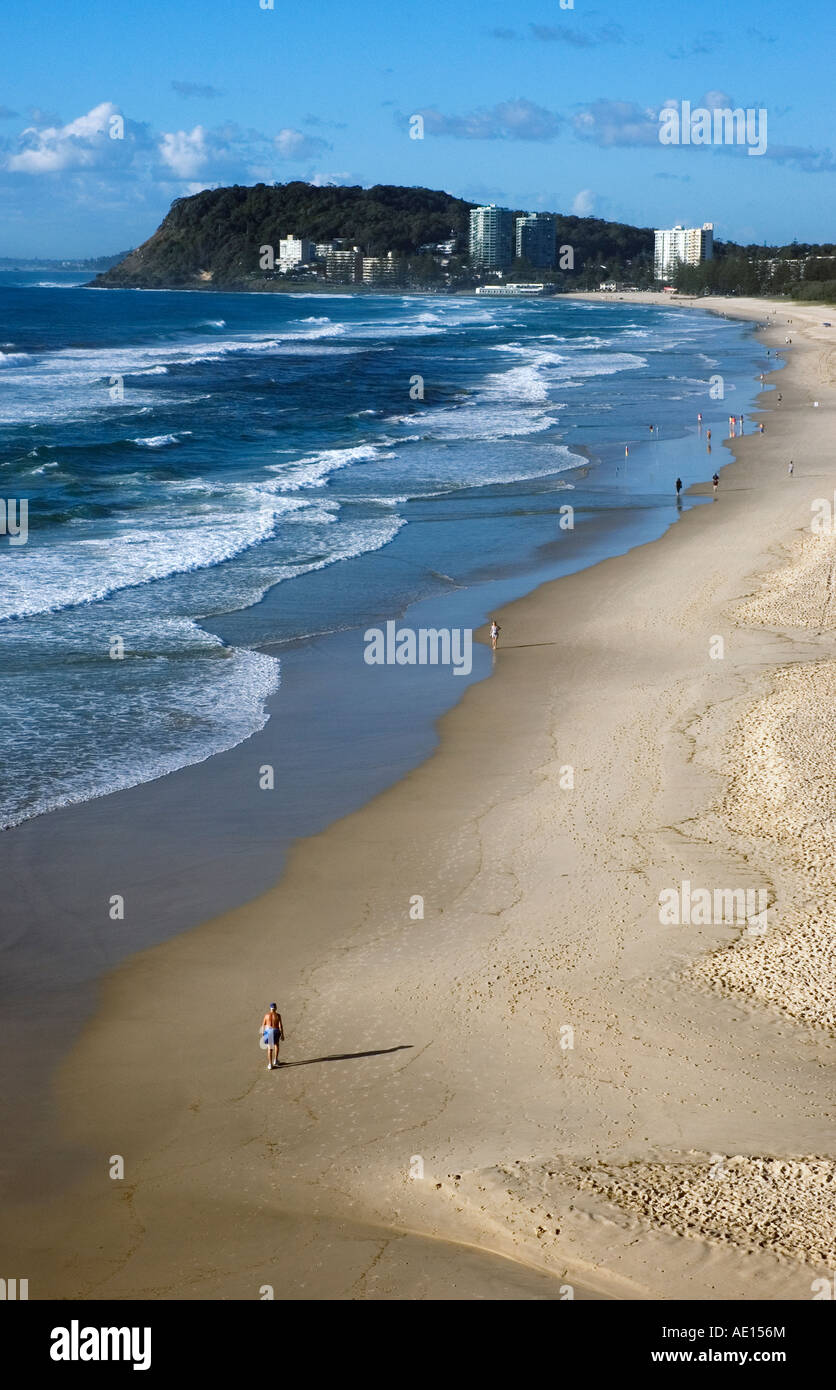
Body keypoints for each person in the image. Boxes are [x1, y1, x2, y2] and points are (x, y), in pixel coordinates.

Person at [261, 1003, 284, 1070]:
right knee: (276, 1045)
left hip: (268, 1031)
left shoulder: (266, 1015)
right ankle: (275, 1060)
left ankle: (270, 1064)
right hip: (275, 1031)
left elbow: (263, 1025)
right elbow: (280, 1025)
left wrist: (263, 1034)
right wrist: (282, 1034)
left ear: (270, 1008)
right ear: (275, 1008)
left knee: (270, 1048)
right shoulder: (278, 1015)